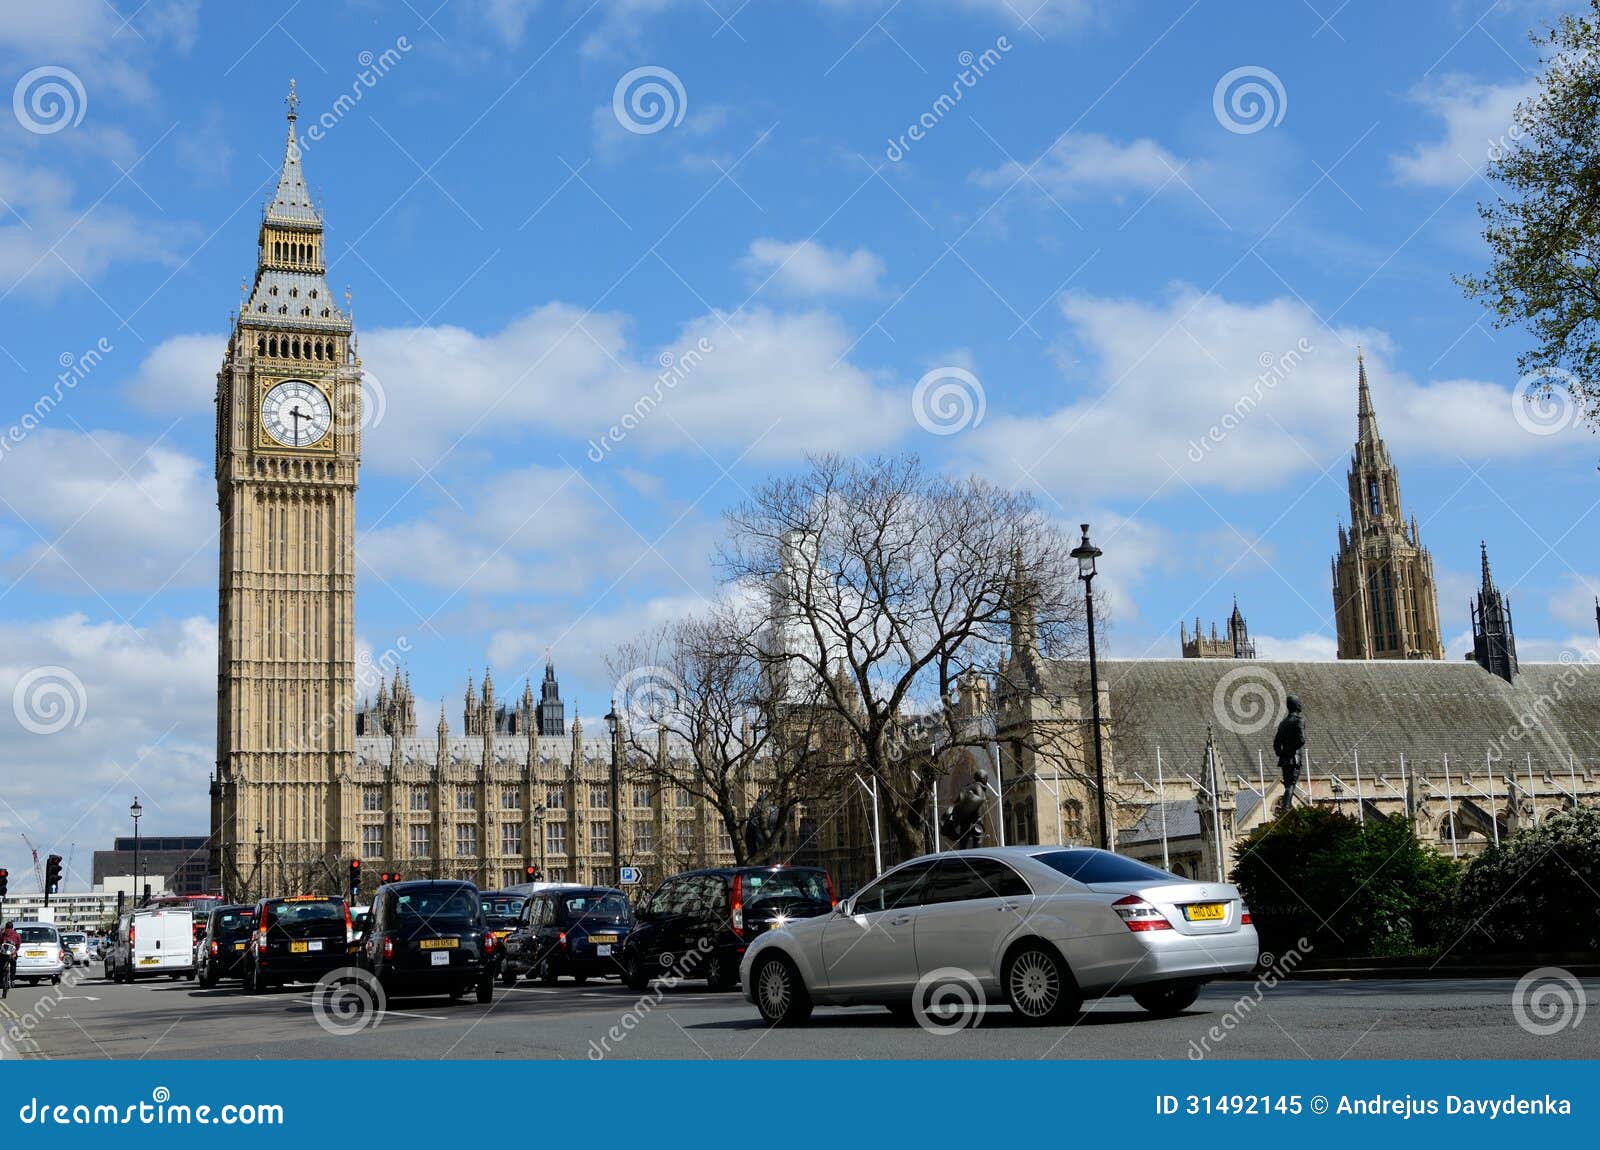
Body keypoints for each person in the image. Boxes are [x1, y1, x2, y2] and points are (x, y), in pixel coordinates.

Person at [1273, 695, 1306, 814]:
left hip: (1285, 760)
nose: (1301, 704)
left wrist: (1281, 753)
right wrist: (1291, 750)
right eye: (1299, 702)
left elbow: (1276, 742)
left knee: (1288, 784)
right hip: (1294, 758)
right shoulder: (1299, 721)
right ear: (1296, 705)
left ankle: (1288, 805)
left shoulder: (1283, 723)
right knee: (1291, 784)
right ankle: (1286, 807)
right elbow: (1301, 740)